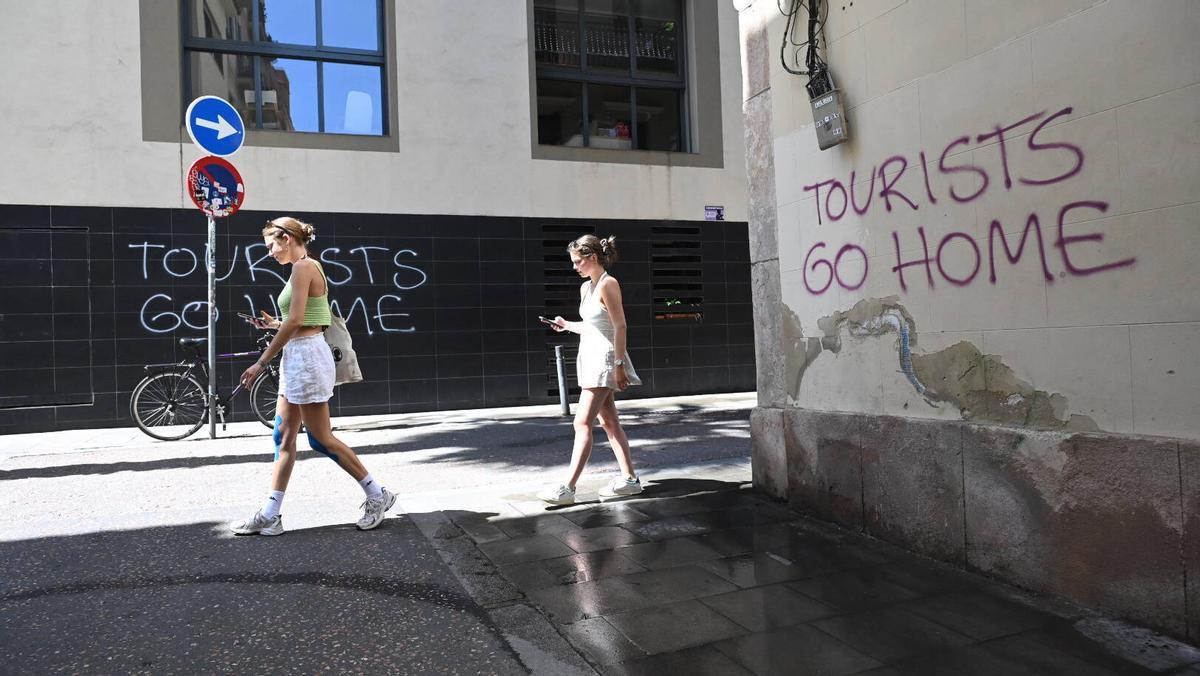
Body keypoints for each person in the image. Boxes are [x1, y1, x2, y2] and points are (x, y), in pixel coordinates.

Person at [229, 217, 395, 536]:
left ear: (287, 239)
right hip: (298, 354)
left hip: (307, 357)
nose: (269, 253)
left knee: (321, 439)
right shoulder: (305, 268)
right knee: (283, 437)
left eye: (271, 245)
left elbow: (298, 323)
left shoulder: (303, 268)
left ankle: (378, 494)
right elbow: (308, 318)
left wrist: (261, 362)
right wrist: (273, 325)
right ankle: (270, 514)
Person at [538, 235, 644, 505]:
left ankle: (568, 489)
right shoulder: (587, 288)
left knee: (582, 422)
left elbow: (619, 326)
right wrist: (566, 324)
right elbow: (592, 325)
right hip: (591, 356)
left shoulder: (608, 283)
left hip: (605, 359)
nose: (575, 267)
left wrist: (619, 365)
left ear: (592, 257)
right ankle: (630, 480)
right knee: (609, 422)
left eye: (577, 261)